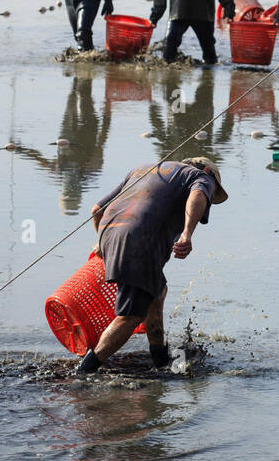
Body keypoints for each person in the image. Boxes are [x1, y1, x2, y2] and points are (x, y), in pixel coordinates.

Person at [76, 157, 228, 374]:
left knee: (157, 291)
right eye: (212, 193)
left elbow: (96, 210)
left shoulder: (142, 170)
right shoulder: (201, 177)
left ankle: (159, 358)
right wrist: (187, 234)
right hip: (140, 240)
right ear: (206, 171)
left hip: (110, 233)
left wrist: (103, 243)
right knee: (132, 315)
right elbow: (198, 194)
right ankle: (84, 372)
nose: (211, 196)